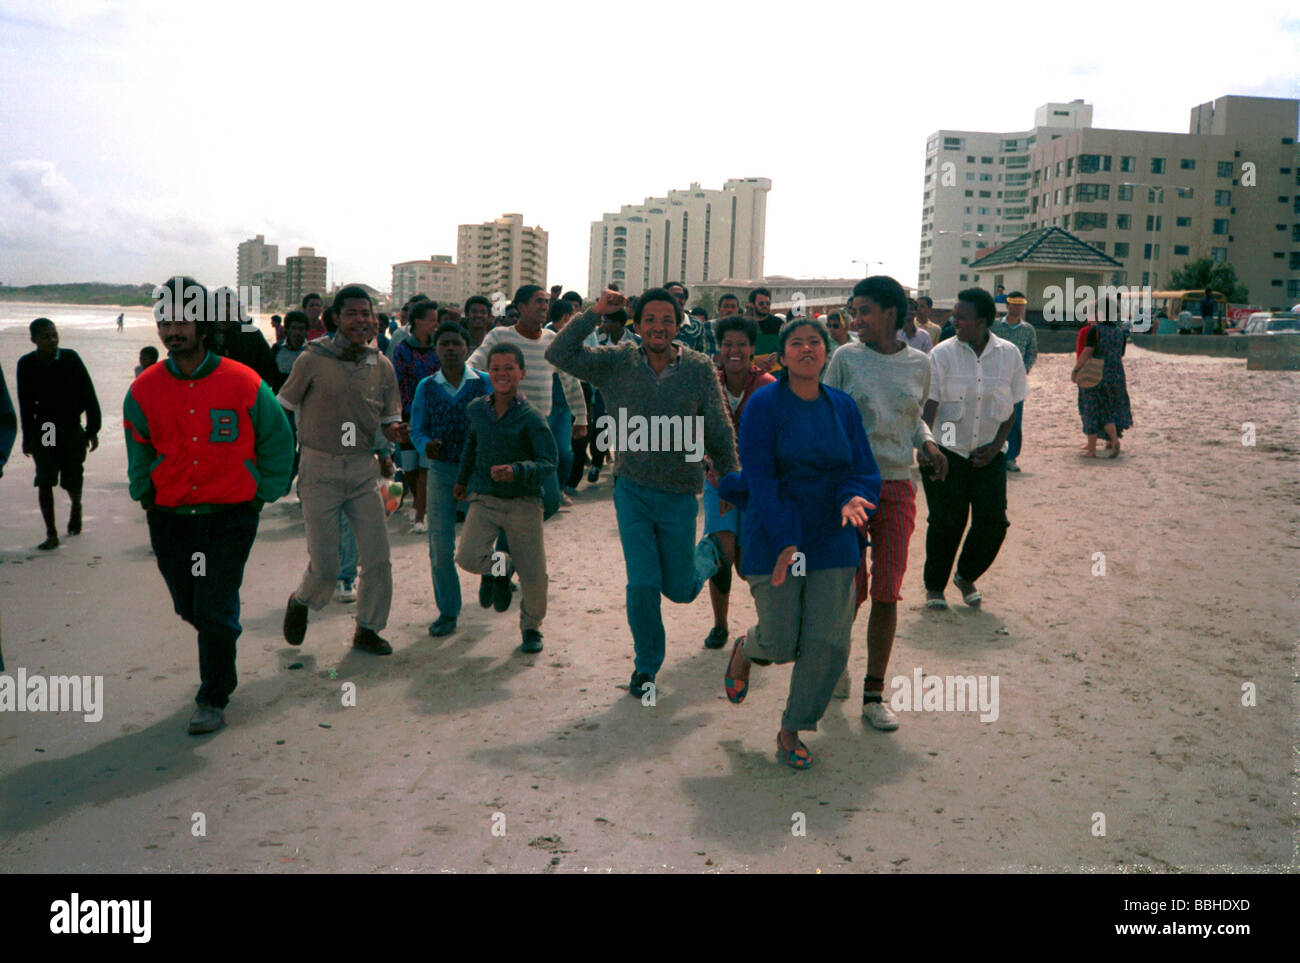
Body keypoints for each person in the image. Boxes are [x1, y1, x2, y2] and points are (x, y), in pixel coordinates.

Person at [547, 287, 737, 698]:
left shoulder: (700, 367)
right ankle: (646, 667)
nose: (658, 327)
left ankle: (712, 554)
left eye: (667, 319)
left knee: (681, 589)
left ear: (678, 324)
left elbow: (719, 430)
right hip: (632, 489)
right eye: (649, 319)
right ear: (637, 324)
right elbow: (559, 354)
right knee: (643, 584)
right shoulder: (616, 361)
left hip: (680, 492)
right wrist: (594, 312)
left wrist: (731, 480)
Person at [125, 276, 294, 734]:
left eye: (182, 319)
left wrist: (264, 492)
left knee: (214, 605)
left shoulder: (243, 381)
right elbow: (139, 446)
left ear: (203, 324)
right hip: (170, 517)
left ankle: (213, 695)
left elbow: (279, 439)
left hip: (230, 516)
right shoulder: (144, 389)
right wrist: (144, 492)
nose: (172, 330)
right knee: (190, 604)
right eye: (165, 320)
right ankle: (221, 632)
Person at [718, 315, 881, 769]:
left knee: (828, 641)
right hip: (775, 531)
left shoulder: (842, 406)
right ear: (783, 354)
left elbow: (863, 469)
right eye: (797, 344)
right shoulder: (765, 405)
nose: (806, 349)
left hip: (833, 533)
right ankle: (747, 650)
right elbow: (761, 480)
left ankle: (792, 728)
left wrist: (855, 497)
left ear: (826, 353)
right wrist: (787, 540)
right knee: (781, 640)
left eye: (815, 343)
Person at [824, 276, 947, 729]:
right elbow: (827, 414)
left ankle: (874, 694)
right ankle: (836, 665)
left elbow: (914, 421)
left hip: (897, 487)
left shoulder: (920, 364)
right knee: (847, 588)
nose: (856, 321)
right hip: (849, 488)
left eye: (864, 312)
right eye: (853, 312)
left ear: (891, 314)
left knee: (887, 591)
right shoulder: (844, 359)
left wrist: (930, 445)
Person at [279, 285, 407, 656]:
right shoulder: (311, 359)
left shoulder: (381, 365)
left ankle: (367, 629)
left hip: (364, 470)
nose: (360, 320)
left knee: (379, 560)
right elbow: (282, 407)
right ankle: (301, 601)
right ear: (335, 318)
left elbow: (388, 422)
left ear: (374, 318)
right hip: (318, 469)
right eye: (351, 313)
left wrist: (395, 436)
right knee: (326, 568)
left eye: (366, 313)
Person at [921, 287, 1027, 609]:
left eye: (961, 318)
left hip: (989, 454)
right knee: (946, 522)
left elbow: (1013, 407)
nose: (955, 322)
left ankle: (966, 575)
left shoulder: (1009, 354)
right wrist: (932, 448)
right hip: (947, 452)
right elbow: (931, 405)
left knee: (994, 523)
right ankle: (935, 588)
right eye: (954, 316)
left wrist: (996, 447)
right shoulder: (942, 353)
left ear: (982, 322)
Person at [454, 343, 556, 653]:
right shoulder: (476, 410)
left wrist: (516, 470)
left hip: (524, 502)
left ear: (522, 373)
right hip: (485, 498)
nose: (502, 374)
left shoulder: (532, 417)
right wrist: (462, 480)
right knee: (467, 557)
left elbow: (548, 463)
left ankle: (531, 628)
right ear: (488, 373)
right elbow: (472, 447)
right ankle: (502, 565)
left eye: (509, 368)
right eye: (495, 368)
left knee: (534, 575)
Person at [469, 285, 588, 520]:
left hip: (540, 431)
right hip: (505, 428)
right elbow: (473, 367)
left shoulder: (552, 340)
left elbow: (570, 381)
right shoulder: (499, 336)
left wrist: (581, 417)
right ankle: (505, 549)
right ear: (521, 307)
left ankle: (511, 542)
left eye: (546, 302)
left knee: (551, 500)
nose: (544, 306)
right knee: (505, 496)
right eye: (538, 301)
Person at [410, 321, 492, 637]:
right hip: (441, 472)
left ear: (467, 348)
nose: (450, 349)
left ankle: (496, 575)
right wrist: (423, 445)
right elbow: (417, 429)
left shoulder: (485, 383)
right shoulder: (426, 387)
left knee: (485, 542)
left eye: (456, 343)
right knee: (439, 546)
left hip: (480, 474)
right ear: (435, 350)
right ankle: (448, 612)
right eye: (443, 344)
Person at [702, 316, 775, 650]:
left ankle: (767, 625)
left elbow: (775, 443)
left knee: (749, 565)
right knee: (722, 551)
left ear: (752, 349)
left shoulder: (768, 387)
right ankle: (720, 625)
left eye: (741, 344)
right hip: (717, 481)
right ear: (720, 349)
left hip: (756, 486)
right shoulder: (707, 384)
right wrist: (719, 475)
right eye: (728, 344)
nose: (734, 350)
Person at [17, 318, 102, 550]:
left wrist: (93, 429)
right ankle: (51, 533)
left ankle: (76, 505)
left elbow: (88, 394)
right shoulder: (26, 364)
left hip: (71, 426)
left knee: (73, 475)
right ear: (34, 340)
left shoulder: (71, 358)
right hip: (46, 428)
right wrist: (26, 437)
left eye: (54, 335)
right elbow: (25, 403)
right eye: (46, 337)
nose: (52, 340)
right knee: (45, 477)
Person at [393, 301, 443, 533]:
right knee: (410, 467)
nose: (436, 324)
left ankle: (421, 517)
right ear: (418, 322)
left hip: (432, 416)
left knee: (425, 467)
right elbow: (397, 383)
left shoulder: (439, 348)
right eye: (432, 319)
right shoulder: (402, 349)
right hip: (405, 415)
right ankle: (419, 504)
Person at [1073, 296, 1132, 459]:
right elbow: (1121, 354)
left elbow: (1087, 352)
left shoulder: (1095, 331)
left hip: (1096, 373)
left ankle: (1091, 450)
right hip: (1117, 374)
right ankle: (1113, 440)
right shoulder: (1120, 333)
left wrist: (1076, 369)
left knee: (1091, 409)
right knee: (1109, 409)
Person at [583, 308, 638, 484]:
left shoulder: (636, 342)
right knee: (599, 428)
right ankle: (597, 464)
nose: (604, 324)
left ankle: (621, 469)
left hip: (628, 394)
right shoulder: (598, 340)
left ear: (619, 323)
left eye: (607, 321)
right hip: (603, 392)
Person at [990, 292, 1038, 472]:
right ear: (1007, 305)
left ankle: (1011, 457)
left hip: (1016, 382)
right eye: (1014, 305)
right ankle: (994, 454)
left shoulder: (1028, 329)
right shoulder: (994, 326)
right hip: (994, 379)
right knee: (993, 416)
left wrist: (1023, 370)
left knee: (1014, 420)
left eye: (1020, 305)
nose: (1017, 308)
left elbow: (1032, 352)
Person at [213, 290, 277, 385]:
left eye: (228, 305)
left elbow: (269, 370)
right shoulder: (203, 335)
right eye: (220, 305)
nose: (225, 309)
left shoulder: (251, 335)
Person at [667, 282, 717, 357]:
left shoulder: (697, 324)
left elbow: (702, 354)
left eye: (681, 296)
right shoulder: (657, 324)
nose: (677, 300)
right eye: (673, 296)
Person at [270, 311, 310, 392]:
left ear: (306, 331)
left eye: (301, 329)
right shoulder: (277, 349)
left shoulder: (312, 351)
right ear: (287, 329)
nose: (297, 332)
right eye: (294, 328)